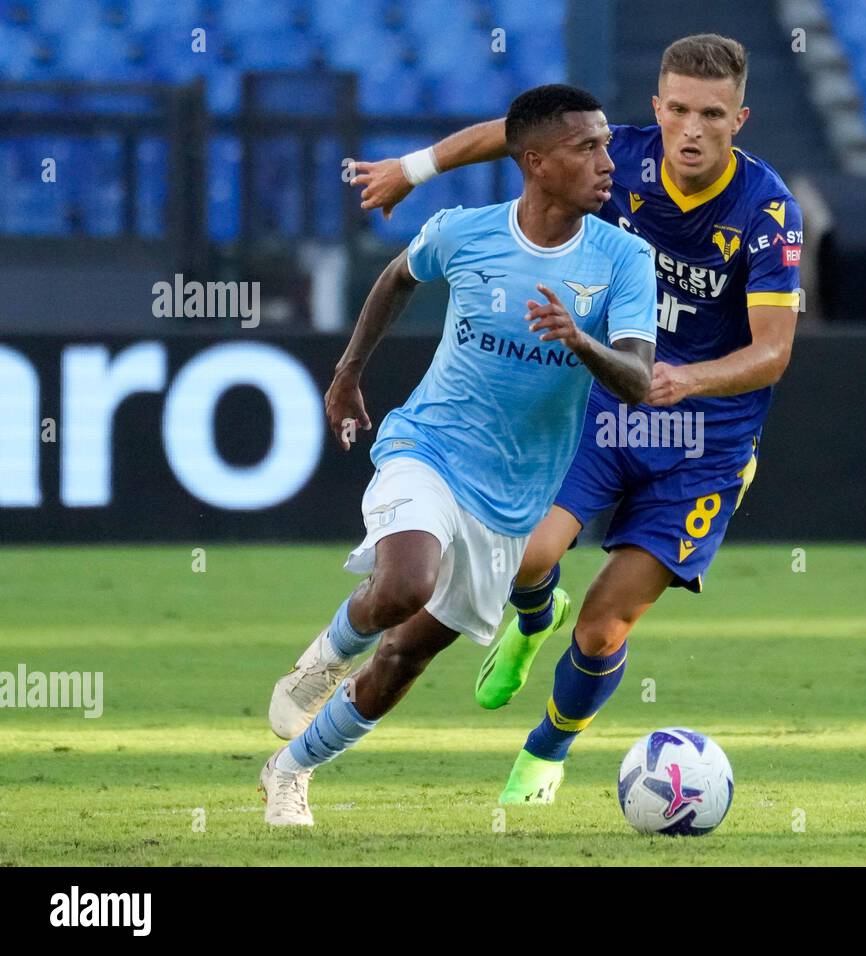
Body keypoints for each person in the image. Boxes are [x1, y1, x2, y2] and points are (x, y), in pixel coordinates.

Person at [343, 33, 803, 804]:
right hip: (605, 404)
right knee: (527, 559)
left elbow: (773, 352)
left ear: (741, 119)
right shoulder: (614, 156)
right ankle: (528, 620)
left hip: (703, 437)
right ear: (657, 108)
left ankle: (545, 752)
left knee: (601, 629)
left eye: (713, 115)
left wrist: (685, 379)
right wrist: (412, 170)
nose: (692, 129)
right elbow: (508, 134)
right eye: (679, 110)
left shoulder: (767, 211)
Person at [259, 84, 656, 825]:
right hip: (429, 446)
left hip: (512, 501)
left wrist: (581, 341)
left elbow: (635, 380)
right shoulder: (464, 232)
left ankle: (290, 768)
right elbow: (396, 277)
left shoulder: (624, 259)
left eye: (606, 145)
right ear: (535, 162)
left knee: (405, 659)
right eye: (588, 148)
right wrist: (347, 374)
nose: (610, 162)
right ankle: (323, 658)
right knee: (405, 581)